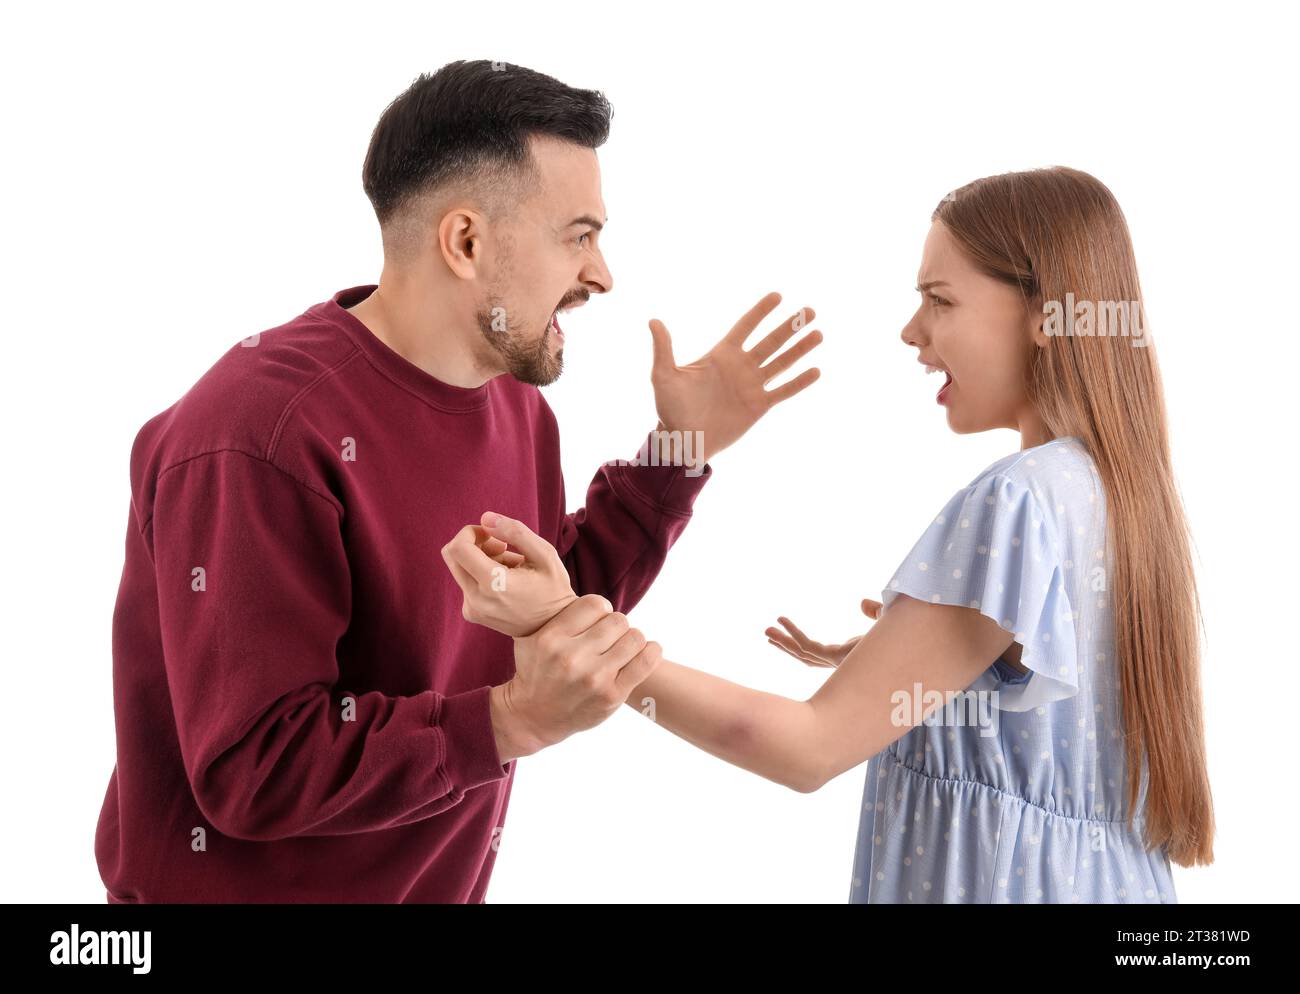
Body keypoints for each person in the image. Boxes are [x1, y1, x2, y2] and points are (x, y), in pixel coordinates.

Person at [94, 59, 823, 903]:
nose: (602, 275)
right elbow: (255, 768)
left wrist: (679, 451)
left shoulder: (514, 402)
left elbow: (544, 606)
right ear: (466, 242)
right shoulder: (259, 435)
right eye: (578, 236)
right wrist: (509, 721)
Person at [443, 166, 1215, 903]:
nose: (911, 331)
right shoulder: (1112, 491)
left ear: (1047, 316)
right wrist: (924, 672)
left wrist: (567, 629)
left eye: (940, 300)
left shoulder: (1016, 502)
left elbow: (806, 748)